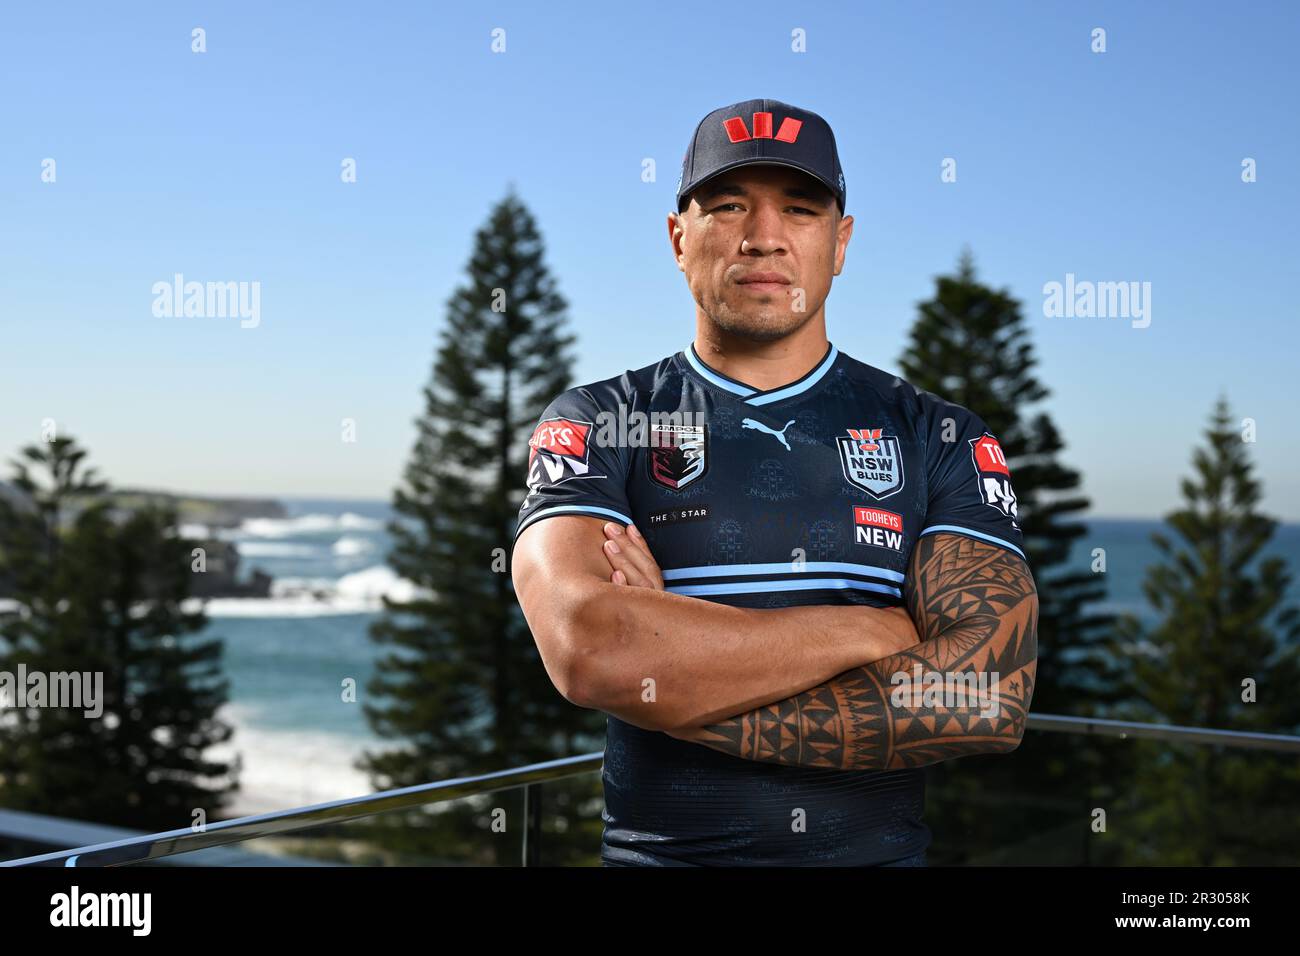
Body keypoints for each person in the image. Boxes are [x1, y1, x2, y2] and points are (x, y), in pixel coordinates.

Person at [511, 98, 1039, 866]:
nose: (764, 237)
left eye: (800, 208)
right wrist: (869, 631)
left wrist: (668, 678)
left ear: (841, 241)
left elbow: (987, 697)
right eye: (728, 206)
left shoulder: (939, 434)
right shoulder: (602, 420)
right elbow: (589, 653)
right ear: (677, 237)